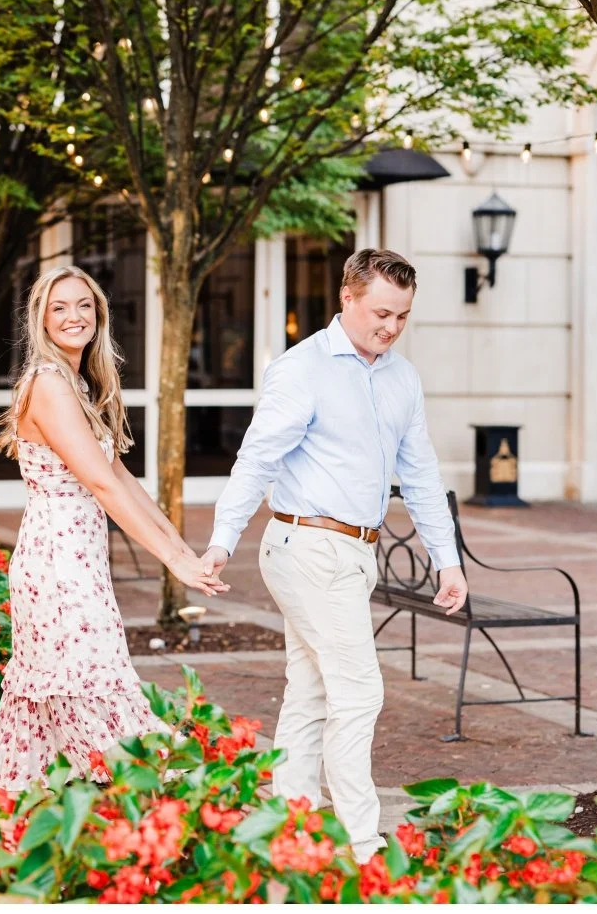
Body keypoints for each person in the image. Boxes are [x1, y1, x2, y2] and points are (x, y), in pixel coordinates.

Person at [201, 248, 468, 865]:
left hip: (356, 554)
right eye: (381, 312)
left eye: (402, 316)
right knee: (359, 690)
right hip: (305, 546)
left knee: (312, 689)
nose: (392, 327)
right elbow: (257, 458)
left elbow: (421, 475)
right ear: (346, 297)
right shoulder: (302, 369)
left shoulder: (402, 378)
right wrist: (221, 540)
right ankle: (361, 843)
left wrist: (446, 561)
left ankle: (289, 822)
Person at [0, 265, 227, 795]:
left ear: (99, 315)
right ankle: (143, 805)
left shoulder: (76, 384)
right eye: (60, 307)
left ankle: (24, 831)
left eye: (84, 305)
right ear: (41, 320)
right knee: (91, 686)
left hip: (74, 562)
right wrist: (174, 562)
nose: (75, 317)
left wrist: (184, 549)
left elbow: (122, 478)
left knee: (51, 704)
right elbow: (101, 485)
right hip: (57, 568)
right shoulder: (48, 384)